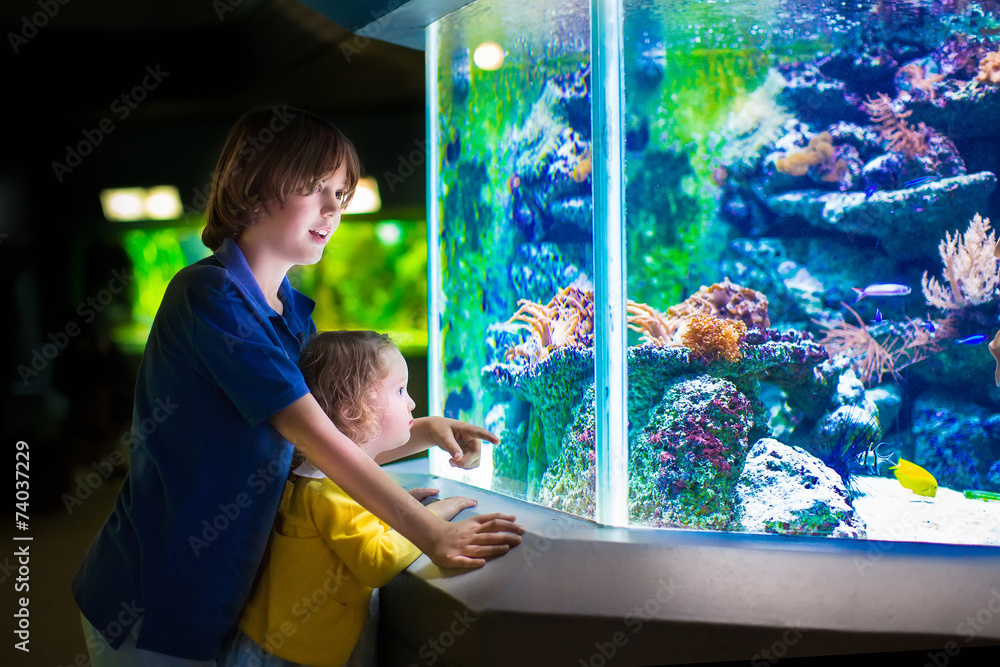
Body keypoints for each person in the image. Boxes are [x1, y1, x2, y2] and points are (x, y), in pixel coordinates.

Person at [72, 106, 523, 664]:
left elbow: (302, 455)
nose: (335, 208)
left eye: (341, 193)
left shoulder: (292, 316)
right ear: (255, 185)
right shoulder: (210, 297)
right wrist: (431, 535)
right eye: (317, 187)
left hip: (226, 590)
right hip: (151, 595)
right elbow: (313, 436)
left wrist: (422, 434)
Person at [221, 330, 478, 667]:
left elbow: (343, 538)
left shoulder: (314, 476)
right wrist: (434, 515)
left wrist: (389, 512)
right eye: (400, 390)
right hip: (290, 654)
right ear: (352, 410)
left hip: (271, 642)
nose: (412, 402)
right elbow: (376, 560)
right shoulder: (328, 489)